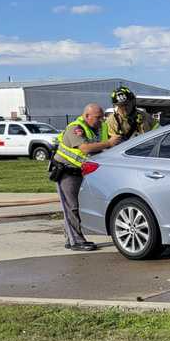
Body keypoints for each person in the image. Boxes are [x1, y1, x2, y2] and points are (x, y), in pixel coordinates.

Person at [50, 103, 122, 251]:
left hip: (83, 171)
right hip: (66, 172)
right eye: (98, 117)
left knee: (79, 205)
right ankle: (75, 240)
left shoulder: (99, 128)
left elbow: (102, 145)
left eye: (102, 117)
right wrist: (109, 143)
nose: (101, 120)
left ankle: (71, 238)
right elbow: (85, 148)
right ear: (87, 116)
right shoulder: (76, 128)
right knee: (72, 207)